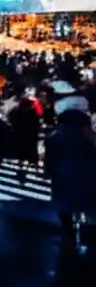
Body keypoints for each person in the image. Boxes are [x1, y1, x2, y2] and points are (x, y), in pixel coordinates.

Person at [44, 85, 96, 257]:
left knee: (65, 206)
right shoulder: (90, 138)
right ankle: (88, 241)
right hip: (88, 177)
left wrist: (48, 172)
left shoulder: (56, 137)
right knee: (89, 209)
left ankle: (69, 234)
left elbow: (50, 158)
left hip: (63, 175)